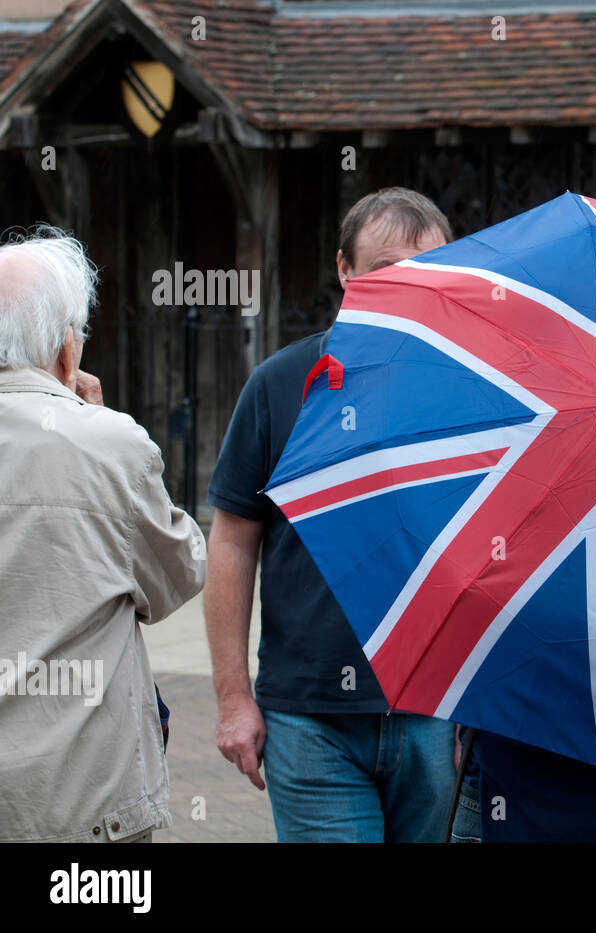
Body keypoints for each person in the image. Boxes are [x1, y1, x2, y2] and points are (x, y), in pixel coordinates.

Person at [205, 188, 463, 842]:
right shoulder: (280, 385)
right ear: (345, 270)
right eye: (384, 268)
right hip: (309, 715)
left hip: (437, 711)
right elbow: (232, 542)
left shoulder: (467, 394)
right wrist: (234, 698)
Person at [0, 228, 206, 842]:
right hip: (83, 801)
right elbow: (175, 577)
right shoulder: (108, 444)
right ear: (67, 346)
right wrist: (97, 419)